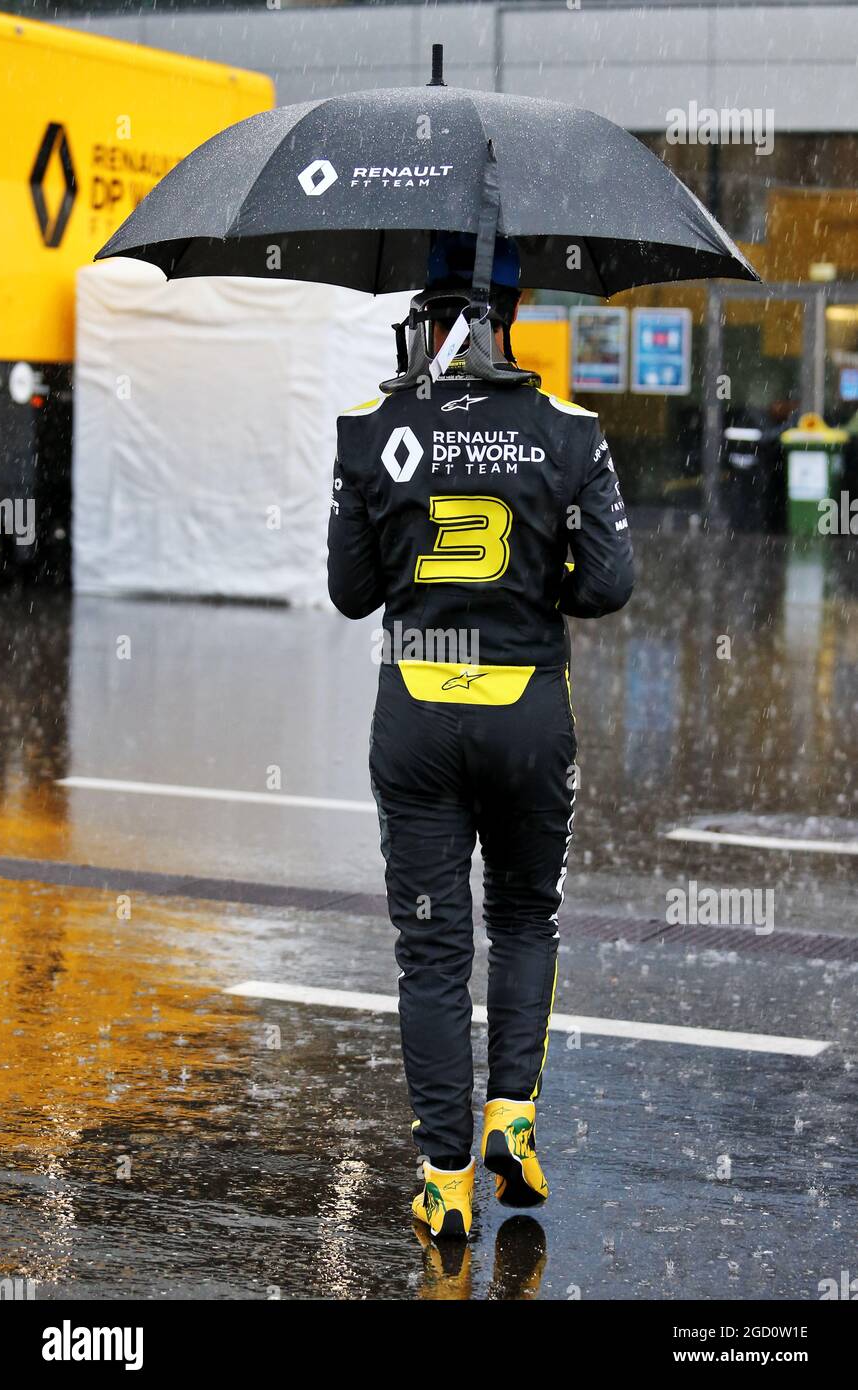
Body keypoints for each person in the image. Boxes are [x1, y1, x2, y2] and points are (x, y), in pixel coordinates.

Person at [327, 231, 634, 1240]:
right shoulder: (570, 430)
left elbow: (349, 590)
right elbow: (607, 584)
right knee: (522, 920)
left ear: (426, 315)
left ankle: (445, 1179)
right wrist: (531, 580)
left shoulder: (371, 425)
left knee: (429, 952)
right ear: (509, 314)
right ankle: (512, 1115)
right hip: (526, 715)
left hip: (416, 713)